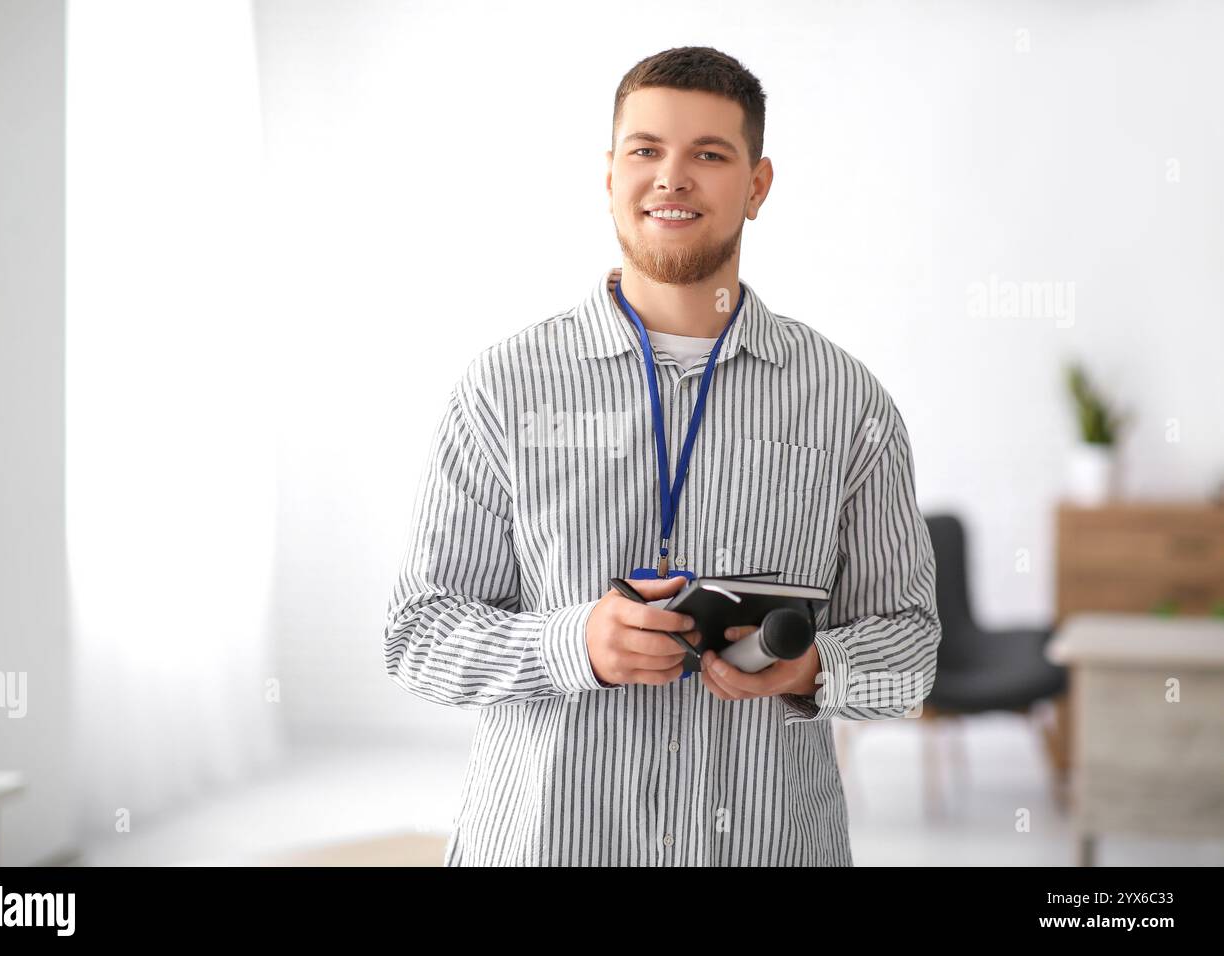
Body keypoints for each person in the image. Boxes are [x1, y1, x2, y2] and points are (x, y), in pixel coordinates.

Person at [383, 45, 941, 866]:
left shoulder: (850, 402)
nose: (672, 178)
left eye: (709, 155)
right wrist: (572, 645)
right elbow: (418, 636)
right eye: (646, 151)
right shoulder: (501, 387)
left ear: (756, 186)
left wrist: (812, 667)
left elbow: (911, 650)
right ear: (610, 174)